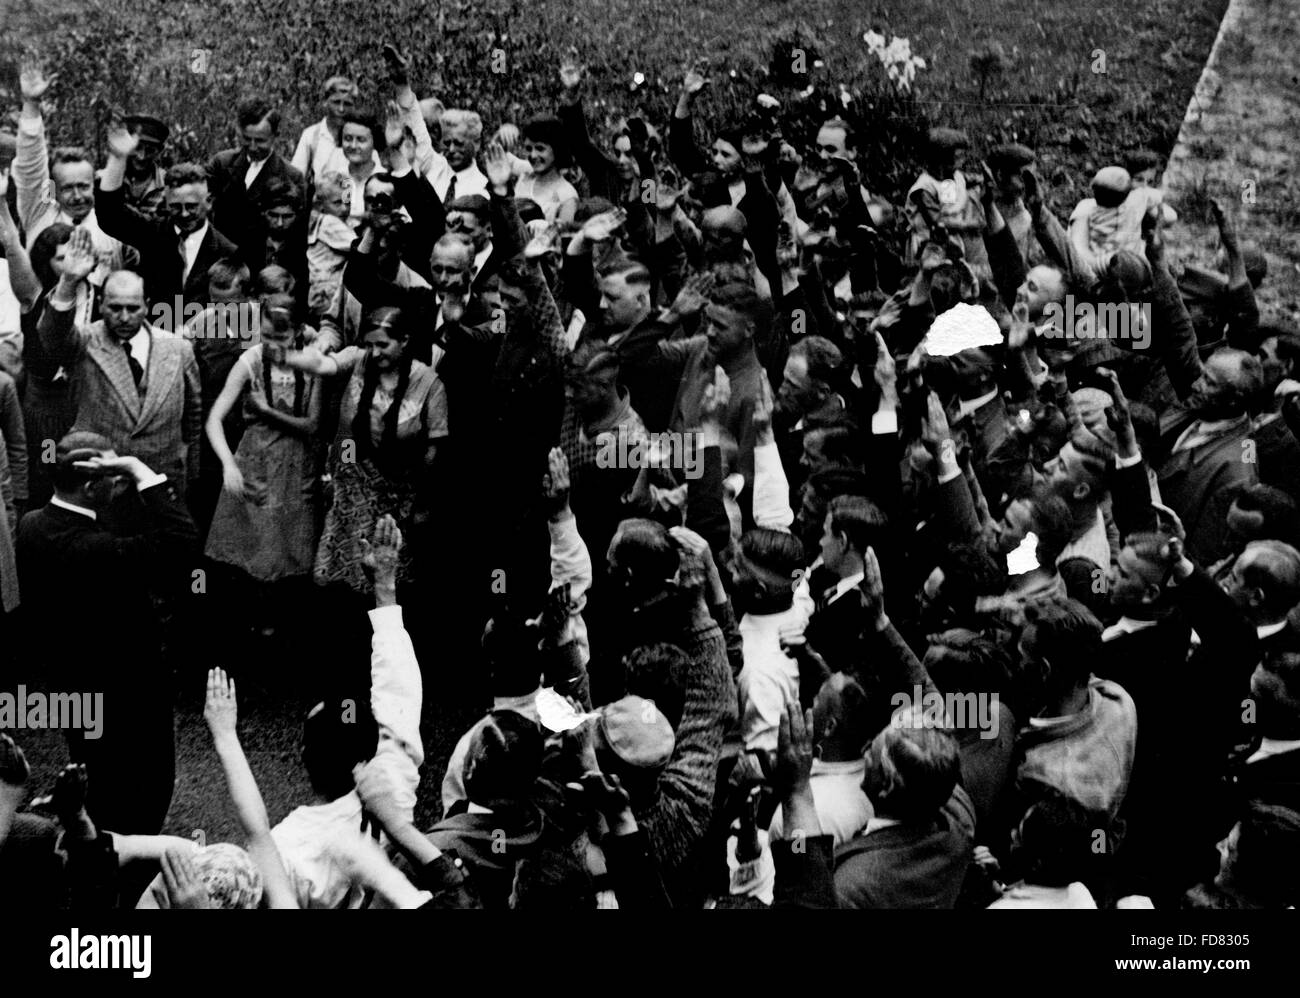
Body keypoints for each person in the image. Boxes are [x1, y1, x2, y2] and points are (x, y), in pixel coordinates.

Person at [16, 435, 197, 833]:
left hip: (74, 686)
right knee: (142, 790)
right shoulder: (95, 550)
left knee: (95, 775)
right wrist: (140, 470)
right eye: (113, 477)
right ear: (89, 487)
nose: (120, 484)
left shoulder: (31, 525)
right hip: (128, 693)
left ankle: (94, 843)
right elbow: (182, 543)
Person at [284, 306, 446, 597]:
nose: (375, 353)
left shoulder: (428, 384)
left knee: (385, 581)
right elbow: (325, 366)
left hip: (397, 498)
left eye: (383, 345)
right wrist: (289, 355)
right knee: (340, 583)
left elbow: (434, 451)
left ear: (405, 341)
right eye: (369, 345)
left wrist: (422, 504)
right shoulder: (358, 360)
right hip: (352, 488)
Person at [38, 232, 203, 494]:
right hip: (99, 486)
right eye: (115, 308)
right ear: (101, 306)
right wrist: (68, 281)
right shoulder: (86, 342)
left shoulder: (178, 349)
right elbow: (52, 336)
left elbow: (193, 418)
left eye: (133, 308)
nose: (124, 317)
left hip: (162, 482)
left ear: (147, 306)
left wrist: (189, 473)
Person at [204, 293, 321, 585]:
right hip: (255, 465)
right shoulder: (250, 360)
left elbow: (312, 426)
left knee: (292, 555)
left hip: (296, 469)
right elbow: (214, 419)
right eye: (266, 335)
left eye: (281, 337)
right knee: (252, 555)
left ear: (297, 331)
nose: (273, 345)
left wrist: (265, 411)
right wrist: (228, 464)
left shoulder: (313, 362)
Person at [95, 114, 240, 331]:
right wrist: (117, 157)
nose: (183, 214)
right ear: (167, 200)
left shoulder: (227, 251)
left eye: (191, 207)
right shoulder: (154, 233)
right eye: (175, 207)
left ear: (208, 203)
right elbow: (111, 214)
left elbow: (238, 320)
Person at [207, 99, 307, 257]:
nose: (253, 147)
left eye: (260, 141)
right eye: (247, 139)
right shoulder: (221, 164)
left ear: (275, 136)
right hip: (221, 260)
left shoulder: (291, 176)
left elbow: (296, 235)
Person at [514, 115, 579, 224]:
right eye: (529, 149)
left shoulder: (567, 196)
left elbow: (563, 238)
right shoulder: (525, 176)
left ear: (556, 149)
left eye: (540, 148)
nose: (533, 155)